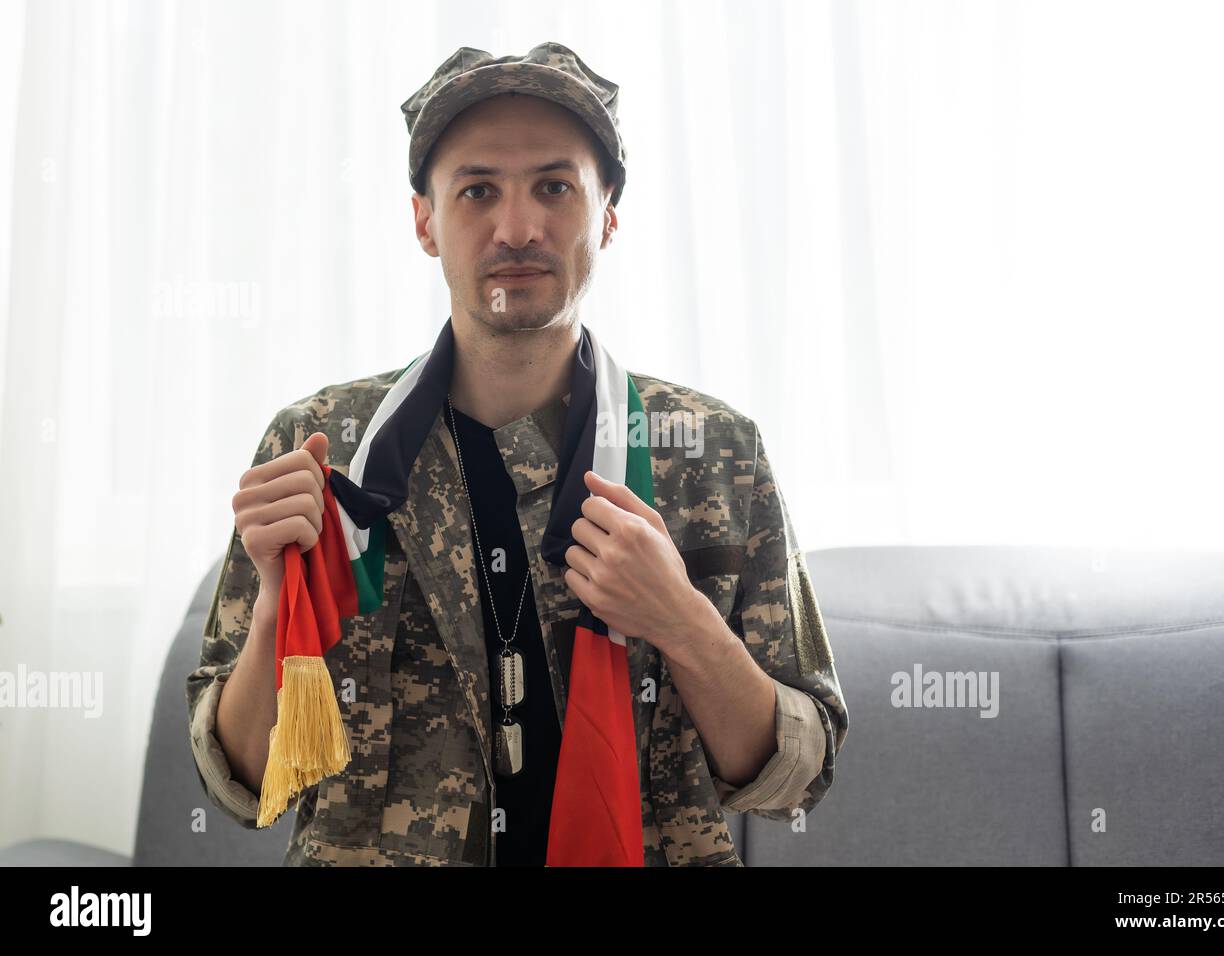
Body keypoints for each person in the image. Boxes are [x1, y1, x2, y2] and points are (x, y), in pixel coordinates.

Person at [185, 41, 849, 867]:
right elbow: (240, 784)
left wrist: (683, 622)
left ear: (607, 213)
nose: (518, 228)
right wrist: (280, 610)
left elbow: (796, 776)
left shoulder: (716, 452)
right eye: (477, 191)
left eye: (554, 186)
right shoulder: (321, 452)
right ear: (425, 223)